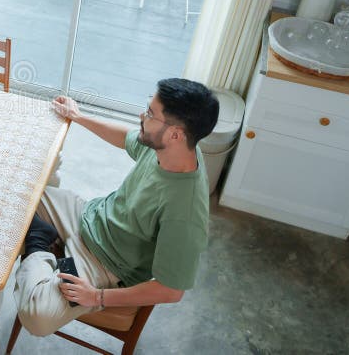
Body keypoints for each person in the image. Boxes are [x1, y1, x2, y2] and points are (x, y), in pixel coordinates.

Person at [14, 79, 219, 336]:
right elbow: (125, 138)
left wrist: (98, 297)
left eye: (150, 114)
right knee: (13, 195)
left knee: (37, 318)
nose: (141, 116)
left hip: (106, 264)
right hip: (90, 217)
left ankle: (37, 240)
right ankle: (41, 247)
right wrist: (77, 116)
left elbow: (171, 290)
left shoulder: (186, 212)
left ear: (175, 134)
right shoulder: (166, 145)